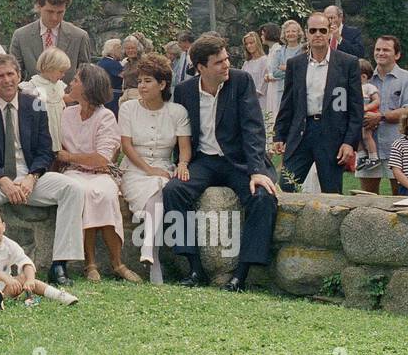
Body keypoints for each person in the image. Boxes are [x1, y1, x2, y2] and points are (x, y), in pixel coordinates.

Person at [163, 33, 279, 292]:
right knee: (173, 191)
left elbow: (253, 129)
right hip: (203, 161)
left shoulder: (241, 81)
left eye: (227, 59)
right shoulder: (184, 91)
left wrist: (257, 171)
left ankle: (241, 274)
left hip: (238, 160)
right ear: (201, 67)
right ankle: (193, 268)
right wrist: (179, 163)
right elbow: (181, 133)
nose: (226, 65)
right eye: (218, 62)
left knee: (263, 197)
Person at [0, 53, 86, 288]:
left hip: (30, 178)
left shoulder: (35, 104)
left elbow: (45, 149)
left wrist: (32, 177)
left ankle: (60, 264)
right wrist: (2, 180)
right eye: (0, 76)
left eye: (11, 74)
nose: (6, 80)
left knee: (73, 189)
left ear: (19, 76)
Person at [117, 54, 191, 285]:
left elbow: (184, 148)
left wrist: (182, 164)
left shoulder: (177, 111)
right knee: (155, 184)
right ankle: (152, 256)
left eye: (147, 81)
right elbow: (126, 146)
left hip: (162, 166)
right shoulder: (128, 108)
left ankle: (150, 252)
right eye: (139, 81)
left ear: (162, 84)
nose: (141, 86)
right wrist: (148, 169)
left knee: (162, 185)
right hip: (134, 168)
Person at [272, 11, 363, 195]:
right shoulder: (295, 64)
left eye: (322, 30)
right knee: (285, 188)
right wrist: (279, 135)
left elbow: (356, 108)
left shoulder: (348, 63)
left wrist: (349, 142)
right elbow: (287, 102)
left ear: (330, 32)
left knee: (332, 193)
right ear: (306, 33)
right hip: (302, 133)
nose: (318, 35)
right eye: (313, 30)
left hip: (332, 134)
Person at [0, 203, 78, 310]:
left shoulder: (9, 244)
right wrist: (8, 279)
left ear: (4, 226)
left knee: (25, 277)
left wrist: (30, 280)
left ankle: (58, 295)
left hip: (5, 288)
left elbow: (25, 261)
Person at [361, 35, 408, 195]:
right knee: (367, 199)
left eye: (386, 50)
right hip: (368, 147)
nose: (380, 53)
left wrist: (380, 117)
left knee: (400, 196)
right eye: (377, 49)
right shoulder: (363, 79)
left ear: (397, 55)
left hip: (397, 146)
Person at [9, 0, 92, 83]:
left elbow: (85, 78)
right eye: (50, 11)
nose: (54, 18)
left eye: (60, 12)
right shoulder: (21, 36)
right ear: (39, 7)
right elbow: (14, 74)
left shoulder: (80, 37)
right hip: (32, 96)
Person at [20, 47, 71, 152]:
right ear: (49, 68)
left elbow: (61, 98)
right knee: (47, 150)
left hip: (59, 123)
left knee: (61, 150)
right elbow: (34, 109)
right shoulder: (35, 86)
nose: (63, 75)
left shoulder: (58, 85)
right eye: (61, 71)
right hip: (45, 126)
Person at [355, 60, 381, 169]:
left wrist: (367, 107)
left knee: (366, 135)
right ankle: (362, 156)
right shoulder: (353, 87)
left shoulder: (369, 87)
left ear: (364, 76)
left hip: (368, 115)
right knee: (355, 135)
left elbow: (377, 101)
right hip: (357, 116)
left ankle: (373, 157)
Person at [241, 31, 269, 114]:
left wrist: (252, 96)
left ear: (257, 43)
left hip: (262, 101)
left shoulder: (265, 60)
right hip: (247, 102)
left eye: (251, 43)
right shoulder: (246, 63)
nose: (249, 46)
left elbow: (264, 84)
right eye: (246, 44)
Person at [260, 23, 283, 121]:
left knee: (276, 112)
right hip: (272, 87)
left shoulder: (279, 50)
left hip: (279, 86)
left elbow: (284, 71)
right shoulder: (271, 50)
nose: (261, 37)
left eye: (262, 34)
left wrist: (270, 76)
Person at [97, 38, 124, 116]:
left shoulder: (101, 62)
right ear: (114, 49)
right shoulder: (113, 64)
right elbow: (126, 77)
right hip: (114, 98)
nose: (122, 51)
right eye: (120, 48)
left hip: (102, 95)